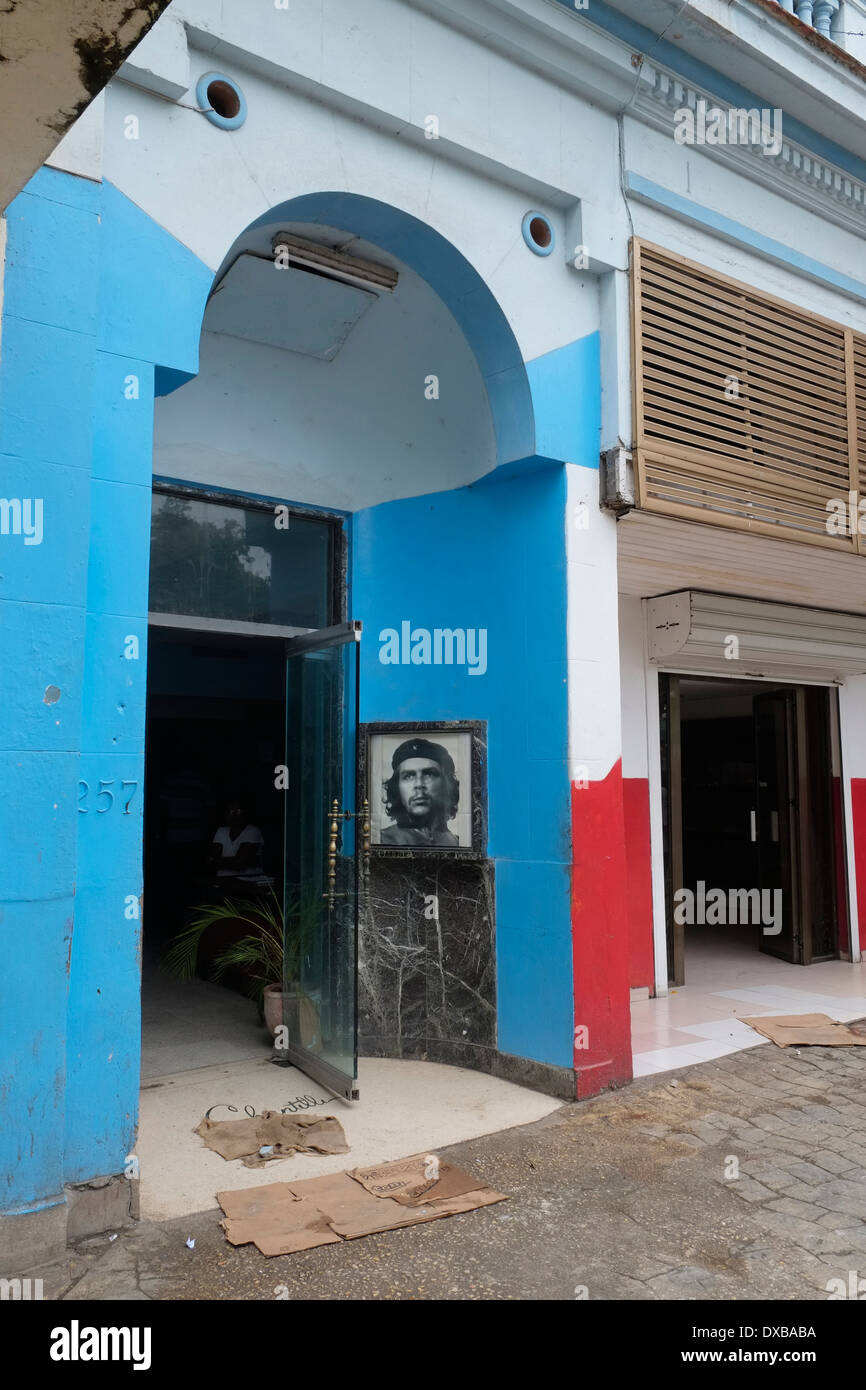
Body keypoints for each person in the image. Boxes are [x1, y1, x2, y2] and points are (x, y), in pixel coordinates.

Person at [379, 738, 460, 846]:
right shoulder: (382, 840)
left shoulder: (456, 842)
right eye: (408, 776)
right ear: (397, 787)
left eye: (429, 774)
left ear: (446, 784)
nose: (418, 784)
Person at [210, 800, 266, 880]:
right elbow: (213, 861)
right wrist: (234, 861)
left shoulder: (253, 831)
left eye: (239, 811)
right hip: (222, 881)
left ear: (245, 813)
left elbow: (240, 864)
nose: (235, 815)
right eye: (231, 811)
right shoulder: (221, 831)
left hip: (248, 881)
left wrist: (219, 861)